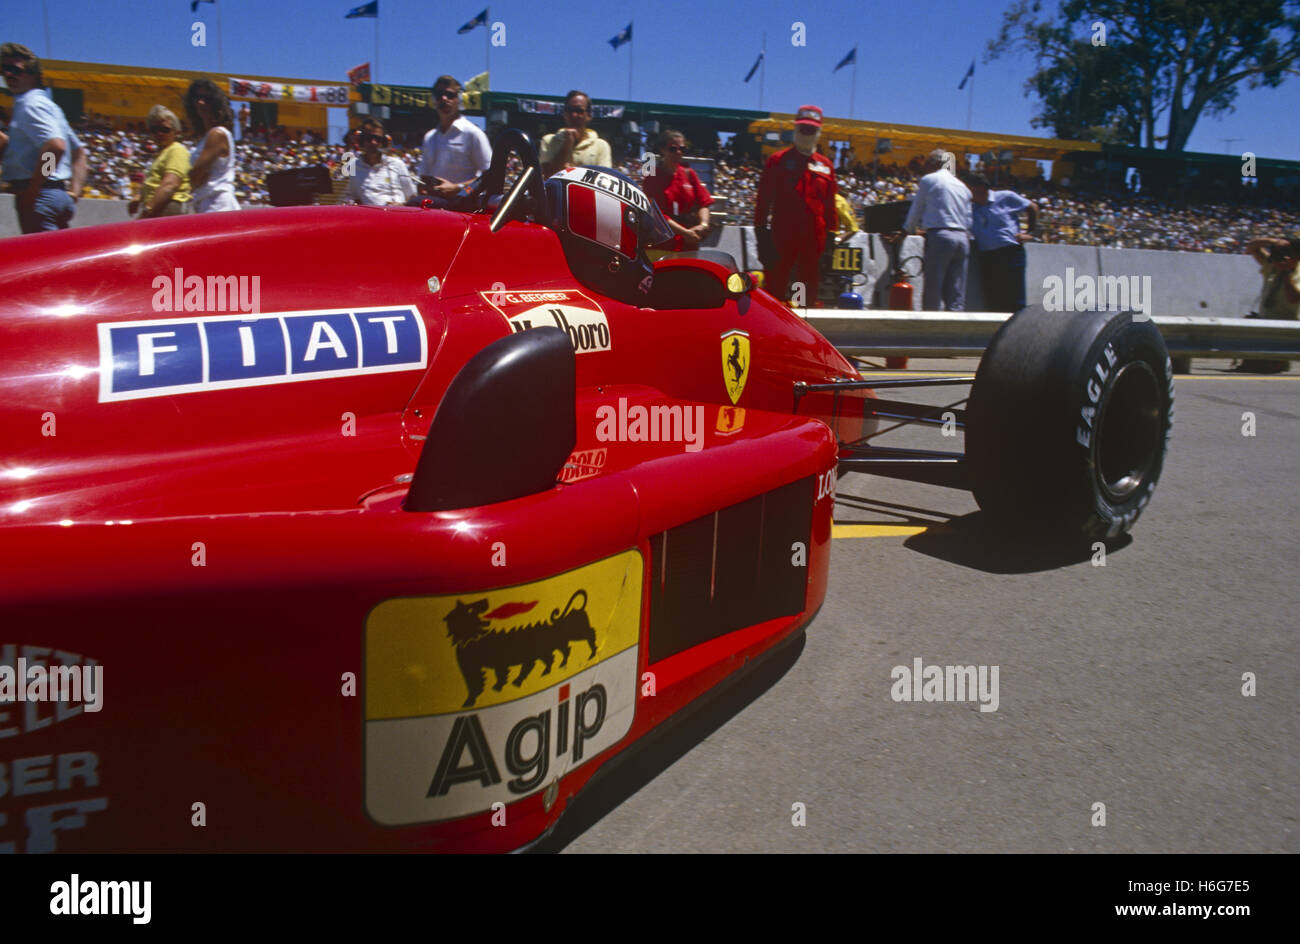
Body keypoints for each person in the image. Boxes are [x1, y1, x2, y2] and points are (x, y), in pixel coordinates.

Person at [753, 105, 837, 303]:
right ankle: (774, 330)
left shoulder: (826, 165)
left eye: (811, 130)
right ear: (795, 129)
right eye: (803, 129)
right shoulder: (778, 160)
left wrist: (831, 240)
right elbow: (763, 201)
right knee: (775, 288)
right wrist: (762, 235)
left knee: (805, 292)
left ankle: (802, 329)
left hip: (813, 240)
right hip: (781, 237)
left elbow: (830, 206)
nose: (806, 134)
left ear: (819, 132)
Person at [0, 42, 87, 233]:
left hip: (41, 196)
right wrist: (74, 191)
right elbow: (79, 152)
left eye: (15, 69)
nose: (8, 74)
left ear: (34, 74)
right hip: (57, 194)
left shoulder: (29, 104)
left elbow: (56, 147)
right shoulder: (50, 106)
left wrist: (34, 189)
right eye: (4, 69)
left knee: (43, 260)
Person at [904, 149, 972, 311]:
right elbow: (969, 220)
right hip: (963, 237)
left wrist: (908, 229)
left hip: (940, 235)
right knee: (957, 288)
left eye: (927, 161)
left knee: (933, 286)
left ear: (935, 163)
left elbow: (917, 208)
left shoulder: (930, 179)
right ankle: (956, 323)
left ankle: (930, 326)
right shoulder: (963, 186)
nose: (925, 165)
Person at [968, 173, 1037, 312]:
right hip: (987, 256)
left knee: (1015, 295)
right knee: (992, 296)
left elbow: (1032, 207)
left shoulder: (1006, 197)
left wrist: (1030, 233)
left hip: (1010, 252)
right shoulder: (971, 207)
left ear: (980, 188)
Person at [417, 75, 491, 200]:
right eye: (439, 94)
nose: (444, 98)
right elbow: (423, 176)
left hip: (463, 205)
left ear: (460, 99)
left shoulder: (473, 133)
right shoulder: (429, 137)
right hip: (434, 205)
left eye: (450, 95)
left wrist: (459, 188)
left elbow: (490, 177)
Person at [641, 129, 712, 248]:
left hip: (690, 242)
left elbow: (704, 203)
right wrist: (685, 233)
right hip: (664, 243)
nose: (678, 152)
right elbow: (656, 213)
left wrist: (703, 224)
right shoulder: (652, 178)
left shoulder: (689, 174)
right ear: (662, 150)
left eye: (682, 149)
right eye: (673, 149)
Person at [1238, 235, 1300, 372]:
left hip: (1287, 326)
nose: (1282, 256)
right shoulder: (1272, 266)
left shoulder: (1297, 273)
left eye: (1287, 253)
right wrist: (1273, 241)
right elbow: (1251, 247)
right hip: (1266, 321)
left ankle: (1278, 361)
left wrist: (1287, 274)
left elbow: (1294, 298)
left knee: (1268, 367)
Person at [184, 79, 240, 213]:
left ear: (216, 103)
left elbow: (195, 175)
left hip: (218, 204)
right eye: (197, 98)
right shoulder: (207, 137)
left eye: (206, 98)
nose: (200, 102)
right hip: (207, 203)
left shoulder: (217, 134)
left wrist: (195, 176)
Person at [129, 105, 191, 218]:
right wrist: (139, 197)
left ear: (176, 132)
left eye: (165, 130)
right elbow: (155, 180)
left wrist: (149, 209)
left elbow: (170, 184)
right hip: (160, 205)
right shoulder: (162, 153)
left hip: (167, 206)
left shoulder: (177, 150)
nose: (159, 134)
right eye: (154, 130)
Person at [341, 117, 417, 206]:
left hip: (396, 216)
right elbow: (351, 196)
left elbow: (412, 197)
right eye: (369, 138)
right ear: (361, 141)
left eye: (378, 139)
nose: (373, 142)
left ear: (383, 142)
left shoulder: (397, 164)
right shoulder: (353, 166)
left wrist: (401, 205)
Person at [540, 90, 611, 178]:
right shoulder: (548, 141)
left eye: (579, 110)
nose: (574, 115)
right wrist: (566, 146)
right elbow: (547, 176)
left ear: (589, 115)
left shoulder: (601, 146)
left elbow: (604, 180)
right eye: (569, 110)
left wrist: (572, 173)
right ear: (565, 114)